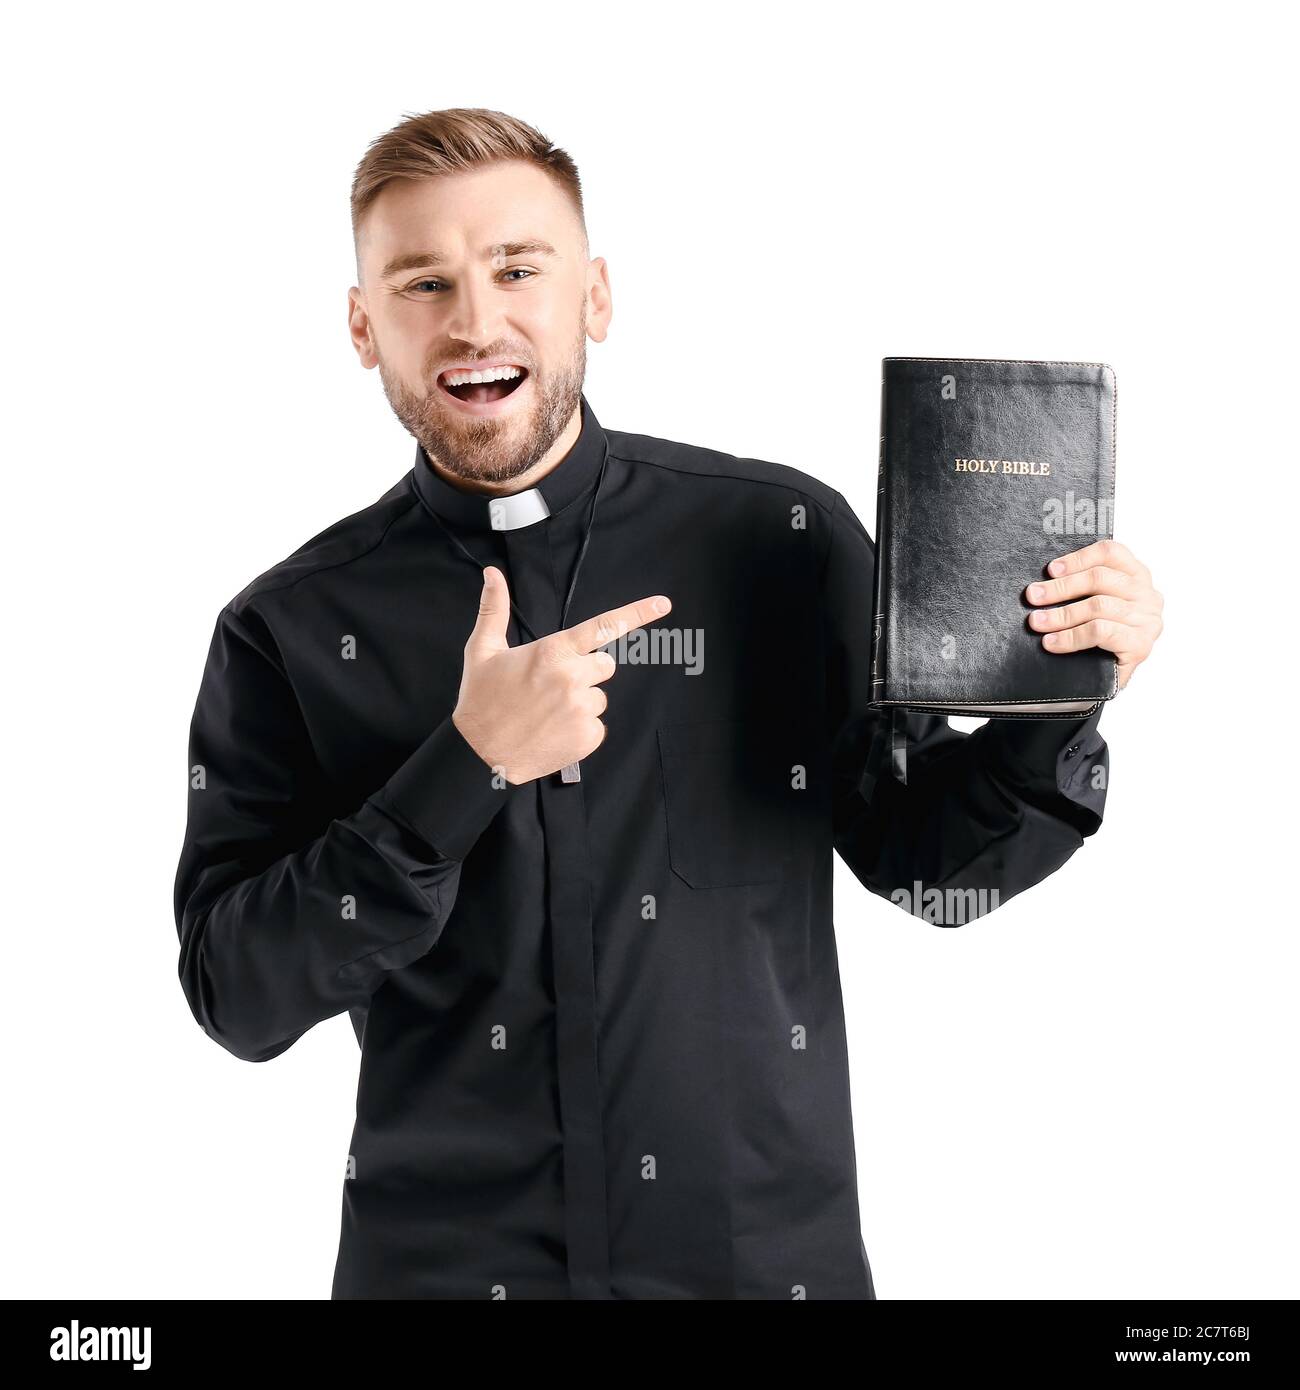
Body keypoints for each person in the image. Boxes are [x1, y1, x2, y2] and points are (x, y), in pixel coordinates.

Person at [173, 107, 1164, 1300]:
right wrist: (462, 768)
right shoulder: (283, 628)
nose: (475, 319)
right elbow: (238, 995)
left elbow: (926, 865)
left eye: (516, 268)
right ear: (360, 325)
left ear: (594, 297)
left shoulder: (782, 541)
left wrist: (1057, 698)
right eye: (422, 282)